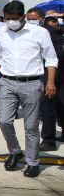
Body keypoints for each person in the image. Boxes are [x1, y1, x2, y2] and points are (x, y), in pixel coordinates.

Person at [0, 0, 58, 177]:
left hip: (32, 83)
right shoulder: (1, 32)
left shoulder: (39, 32)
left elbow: (51, 58)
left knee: (31, 126)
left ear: (23, 16)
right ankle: (15, 151)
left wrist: (50, 82)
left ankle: (33, 162)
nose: (11, 21)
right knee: (4, 121)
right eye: (7, 18)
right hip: (7, 82)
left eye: (14, 18)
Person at [39, 14, 64, 151]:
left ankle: (48, 140)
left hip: (51, 75)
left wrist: (50, 81)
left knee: (48, 105)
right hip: (55, 75)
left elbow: (55, 58)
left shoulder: (48, 34)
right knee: (58, 104)